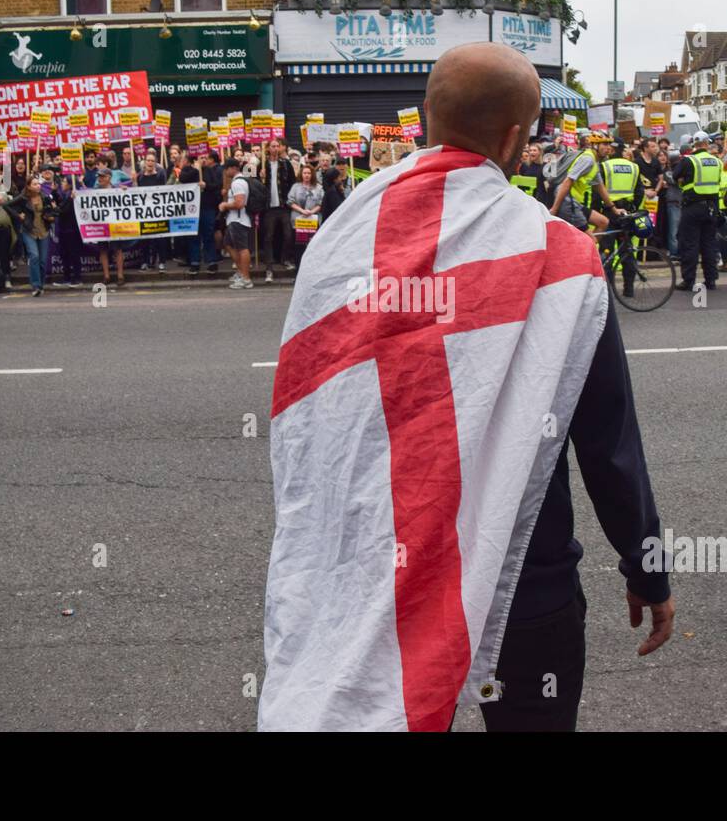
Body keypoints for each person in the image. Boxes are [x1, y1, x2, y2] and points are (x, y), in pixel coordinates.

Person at [259, 42, 673, 733]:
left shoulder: (340, 236)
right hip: (526, 584)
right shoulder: (557, 255)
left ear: (427, 115)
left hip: (378, 573)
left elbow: (316, 421)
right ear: (515, 137)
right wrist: (648, 567)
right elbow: (609, 445)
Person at [672, 130, 722, 291]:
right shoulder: (717, 161)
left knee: (690, 245)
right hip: (712, 208)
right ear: (707, 143)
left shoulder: (689, 160)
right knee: (709, 245)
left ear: (694, 143)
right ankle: (711, 280)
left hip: (692, 207)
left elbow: (675, 175)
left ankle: (689, 280)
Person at [7, 178, 57, 297]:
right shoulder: (23, 198)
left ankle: (41, 284)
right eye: (34, 184)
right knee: (34, 256)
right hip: (29, 231)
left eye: (38, 184)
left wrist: (51, 215)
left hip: (43, 231)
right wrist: (19, 215)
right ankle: (35, 285)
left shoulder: (45, 197)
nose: (38, 186)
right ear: (29, 186)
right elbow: (7, 206)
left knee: (43, 261)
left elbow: (53, 212)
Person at [260, 139, 297, 283]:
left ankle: (285, 258)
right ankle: (269, 267)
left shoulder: (286, 164)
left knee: (288, 234)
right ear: (268, 148)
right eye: (272, 146)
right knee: (268, 236)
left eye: (277, 146)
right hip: (269, 207)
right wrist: (259, 176)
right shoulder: (260, 164)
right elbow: (249, 179)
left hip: (283, 206)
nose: (275, 148)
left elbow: (293, 182)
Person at [218, 158, 253, 289]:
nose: (225, 172)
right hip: (234, 220)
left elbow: (239, 203)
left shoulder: (237, 183)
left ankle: (246, 278)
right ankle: (241, 272)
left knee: (242, 248)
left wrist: (225, 205)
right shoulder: (238, 182)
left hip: (238, 220)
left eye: (226, 169)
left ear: (232, 168)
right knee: (228, 244)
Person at [188, 149, 221, 275]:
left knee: (209, 234)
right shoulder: (190, 170)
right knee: (194, 236)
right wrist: (195, 170)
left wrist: (206, 185)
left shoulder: (211, 171)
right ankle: (195, 262)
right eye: (201, 158)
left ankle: (211, 261)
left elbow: (217, 185)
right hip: (192, 209)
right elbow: (183, 179)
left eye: (205, 158)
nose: (203, 160)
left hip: (208, 208)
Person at [286, 162, 323, 269]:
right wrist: (302, 211)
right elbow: (290, 201)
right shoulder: (295, 187)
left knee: (312, 246)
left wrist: (312, 211)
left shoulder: (318, 187)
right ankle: (298, 270)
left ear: (312, 175)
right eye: (304, 173)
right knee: (299, 247)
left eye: (309, 173)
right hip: (299, 221)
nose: (306, 175)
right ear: (301, 174)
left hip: (313, 221)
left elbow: (321, 203)